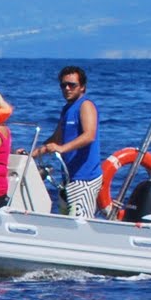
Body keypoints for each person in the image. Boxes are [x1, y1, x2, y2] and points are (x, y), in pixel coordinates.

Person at [35, 65, 102, 216]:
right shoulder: (67, 109)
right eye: (63, 85)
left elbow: (89, 135)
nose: (67, 88)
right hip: (68, 177)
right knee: (66, 222)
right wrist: (31, 154)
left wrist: (62, 148)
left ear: (82, 87)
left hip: (84, 178)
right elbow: (56, 138)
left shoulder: (85, 105)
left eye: (72, 85)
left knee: (80, 224)